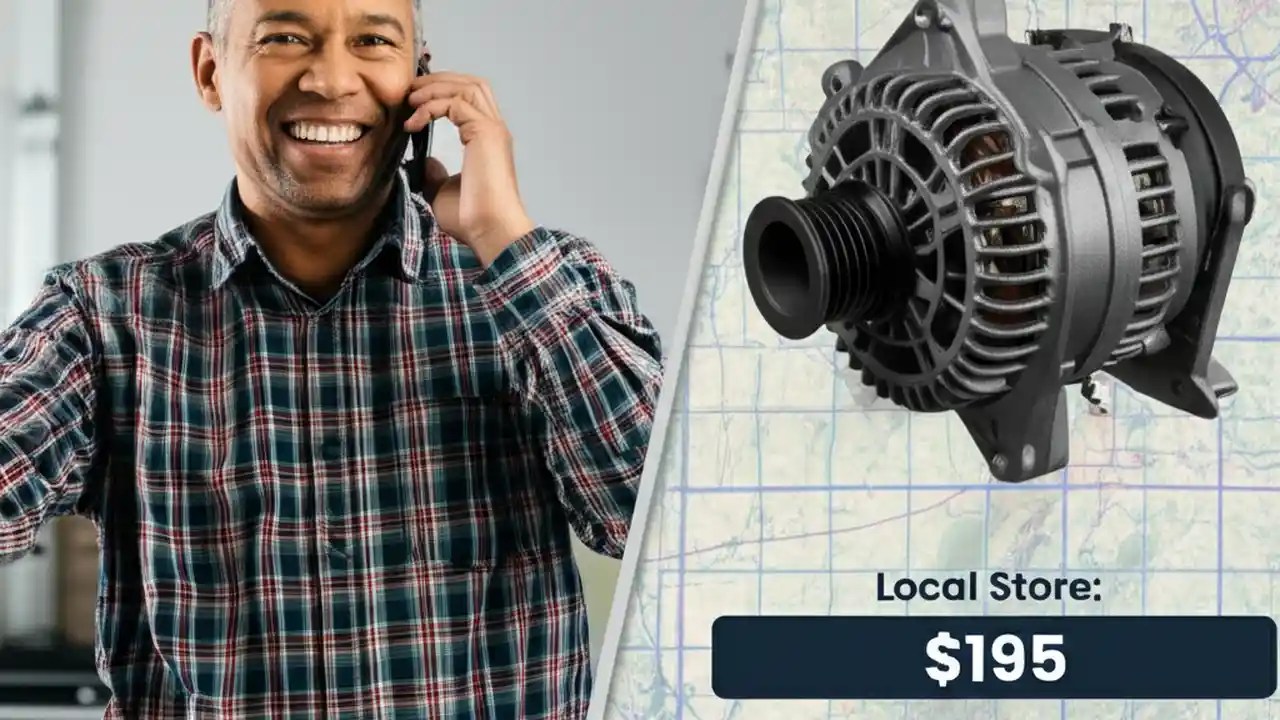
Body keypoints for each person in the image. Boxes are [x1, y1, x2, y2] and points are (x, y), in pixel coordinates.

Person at [0, 0, 664, 717]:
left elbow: (653, 518)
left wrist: (505, 239)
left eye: (373, 40)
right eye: (285, 36)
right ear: (210, 71)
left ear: (420, 81)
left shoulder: (545, 284)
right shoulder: (102, 315)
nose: (330, 78)